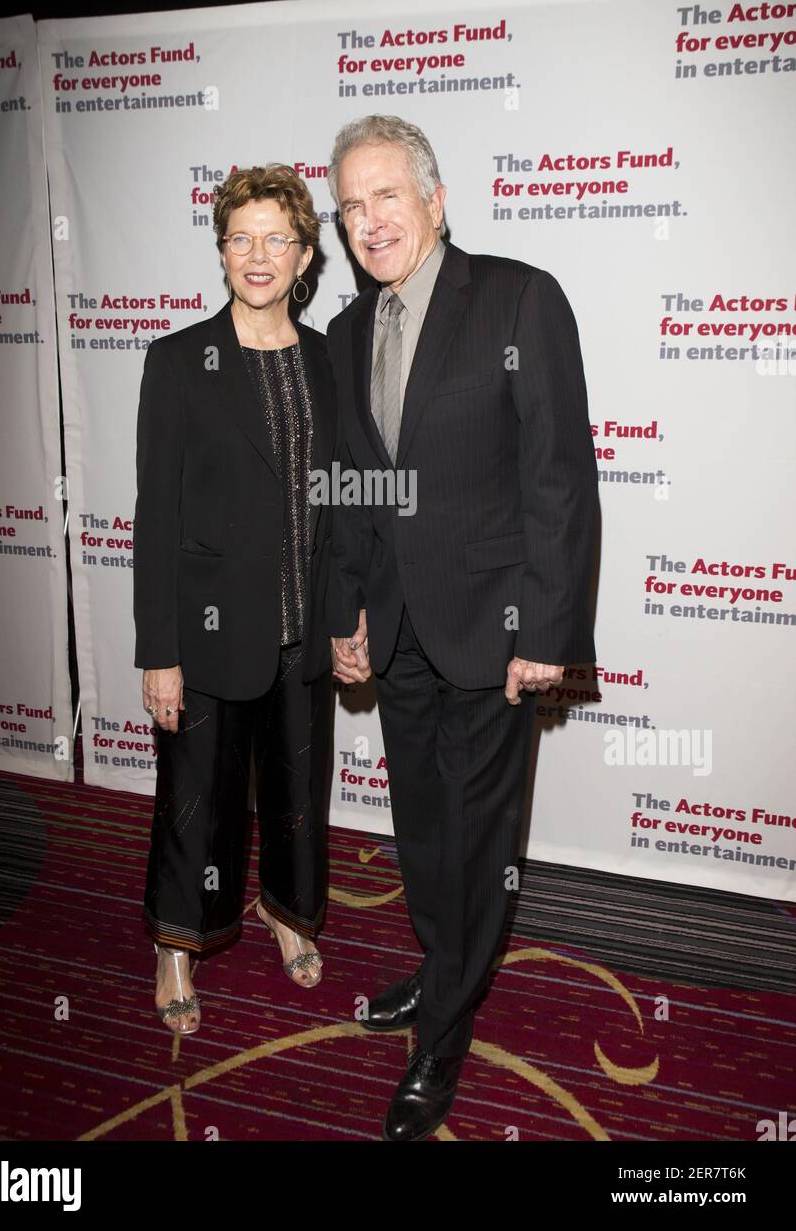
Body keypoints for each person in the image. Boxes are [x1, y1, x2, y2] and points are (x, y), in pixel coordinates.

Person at [325, 114, 599, 1139]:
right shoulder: (351, 331)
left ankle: (440, 1033)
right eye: (350, 205)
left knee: (479, 835)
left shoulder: (518, 297)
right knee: (423, 825)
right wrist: (344, 609)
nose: (368, 220)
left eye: (384, 195)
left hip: (495, 625)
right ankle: (444, 968)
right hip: (395, 627)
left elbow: (557, 482)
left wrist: (547, 633)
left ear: (434, 199)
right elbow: (352, 487)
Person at [133, 164, 339, 1035]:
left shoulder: (326, 357)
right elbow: (156, 513)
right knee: (196, 800)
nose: (259, 256)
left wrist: (343, 618)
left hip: (302, 630)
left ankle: (287, 911)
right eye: (241, 238)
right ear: (221, 250)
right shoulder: (179, 360)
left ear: (303, 257)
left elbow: (337, 494)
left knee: (298, 792)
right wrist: (159, 652)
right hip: (210, 633)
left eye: (277, 240)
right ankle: (177, 945)